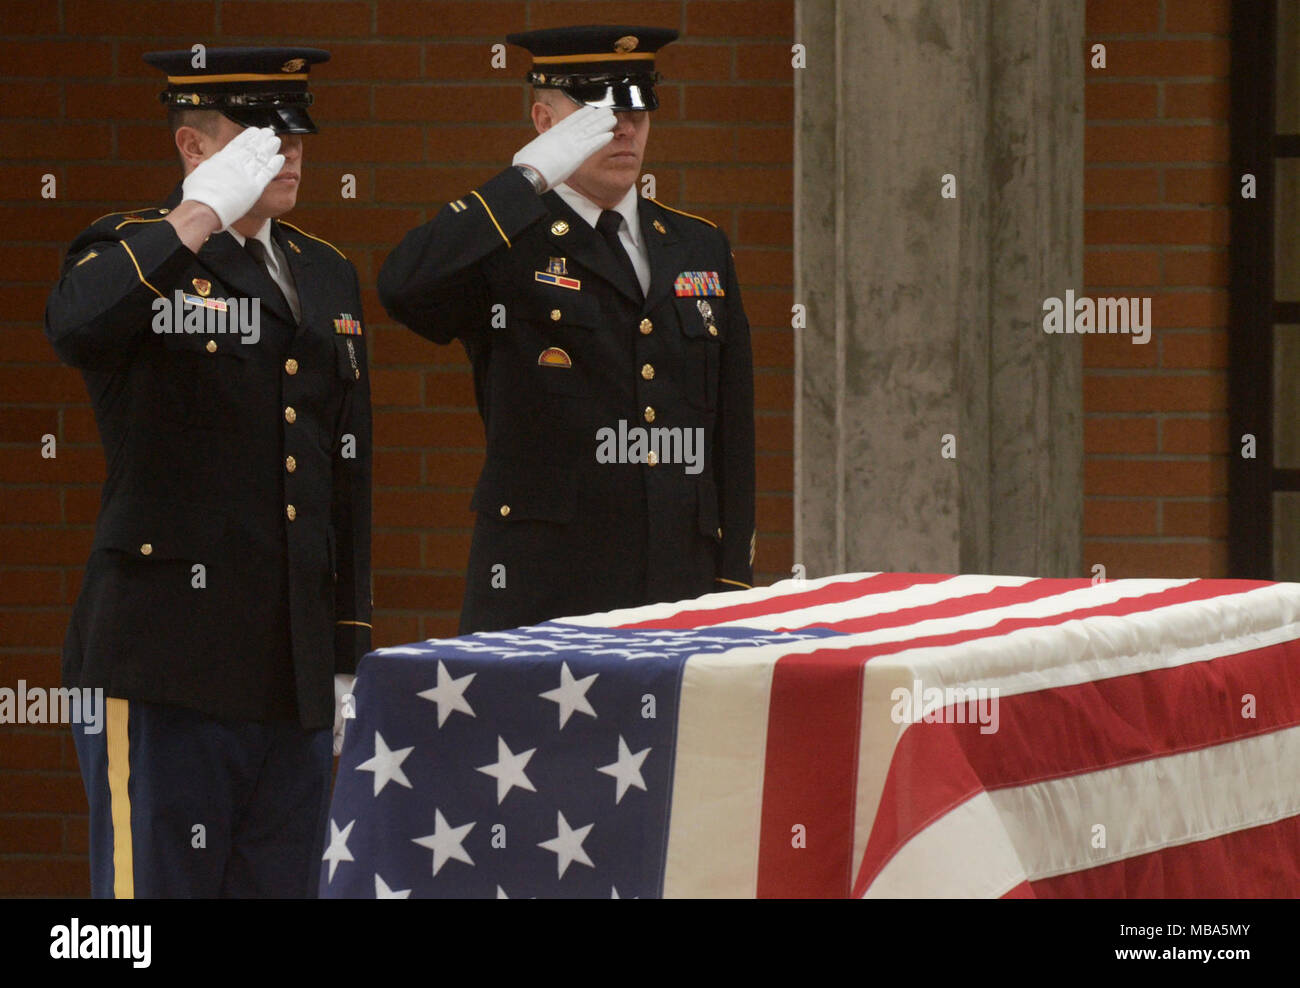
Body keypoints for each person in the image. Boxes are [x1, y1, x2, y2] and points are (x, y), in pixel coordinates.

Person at [44, 47, 372, 898]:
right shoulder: (131, 250)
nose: (290, 154)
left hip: (288, 669)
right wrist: (195, 219)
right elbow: (77, 328)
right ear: (195, 148)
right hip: (164, 660)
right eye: (262, 139)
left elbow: (345, 470)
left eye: (297, 136)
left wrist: (344, 652)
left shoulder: (324, 269)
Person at [378, 25, 756, 633]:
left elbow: (732, 432)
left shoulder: (696, 244)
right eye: (596, 113)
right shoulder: (505, 241)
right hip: (544, 583)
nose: (623, 127)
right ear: (543, 120)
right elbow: (402, 286)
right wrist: (524, 183)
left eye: (636, 109)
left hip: (680, 580)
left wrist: (732, 581)